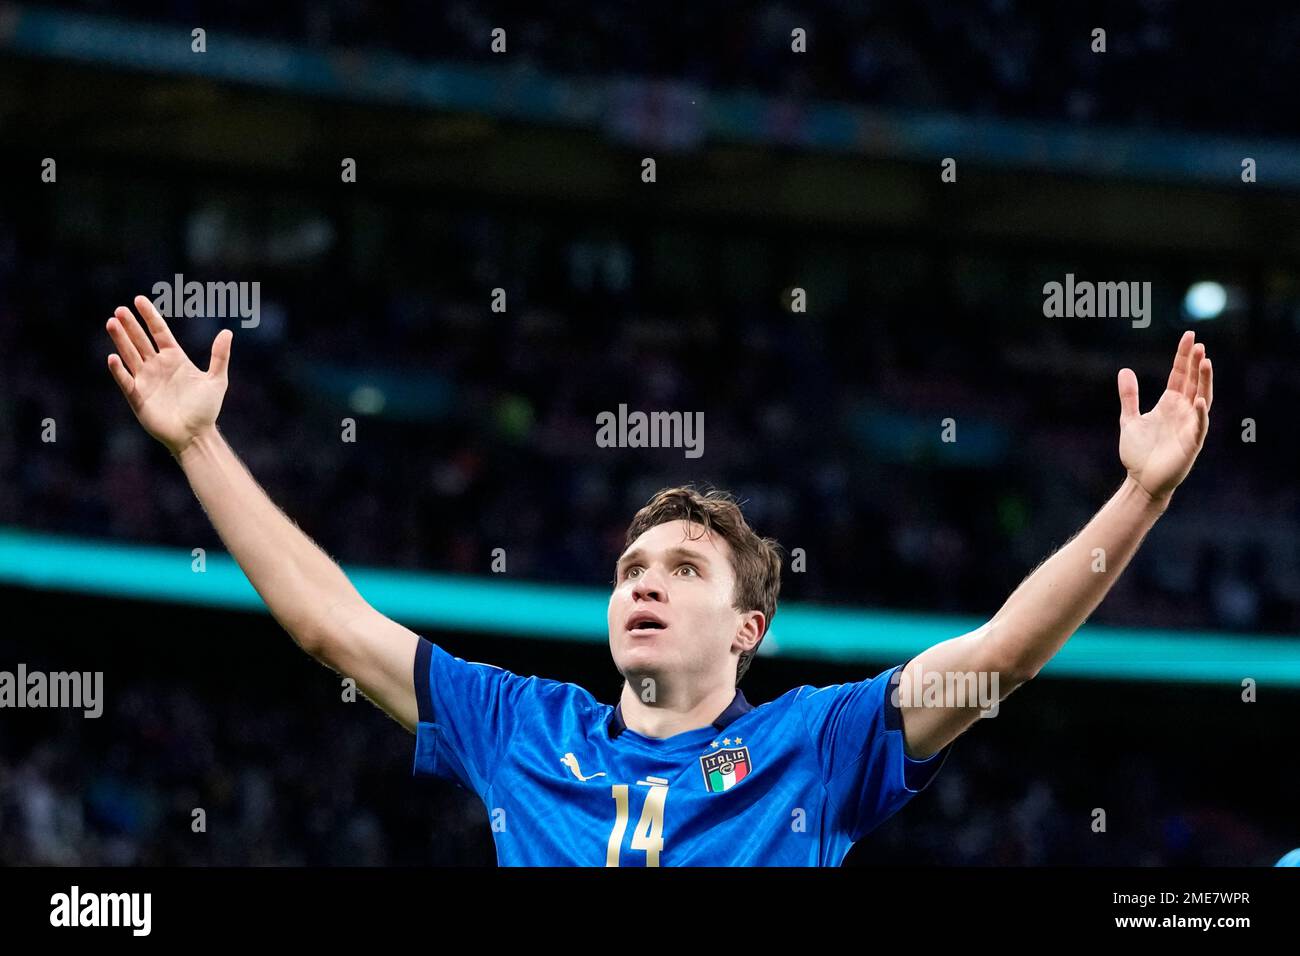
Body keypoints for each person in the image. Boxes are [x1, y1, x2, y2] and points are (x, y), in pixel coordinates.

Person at [105, 295, 1215, 865]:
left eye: (683, 569)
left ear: (748, 625)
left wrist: (1140, 496)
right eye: (632, 567)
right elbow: (329, 625)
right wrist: (200, 444)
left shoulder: (817, 745)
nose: (643, 582)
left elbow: (1000, 654)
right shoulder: (518, 727)